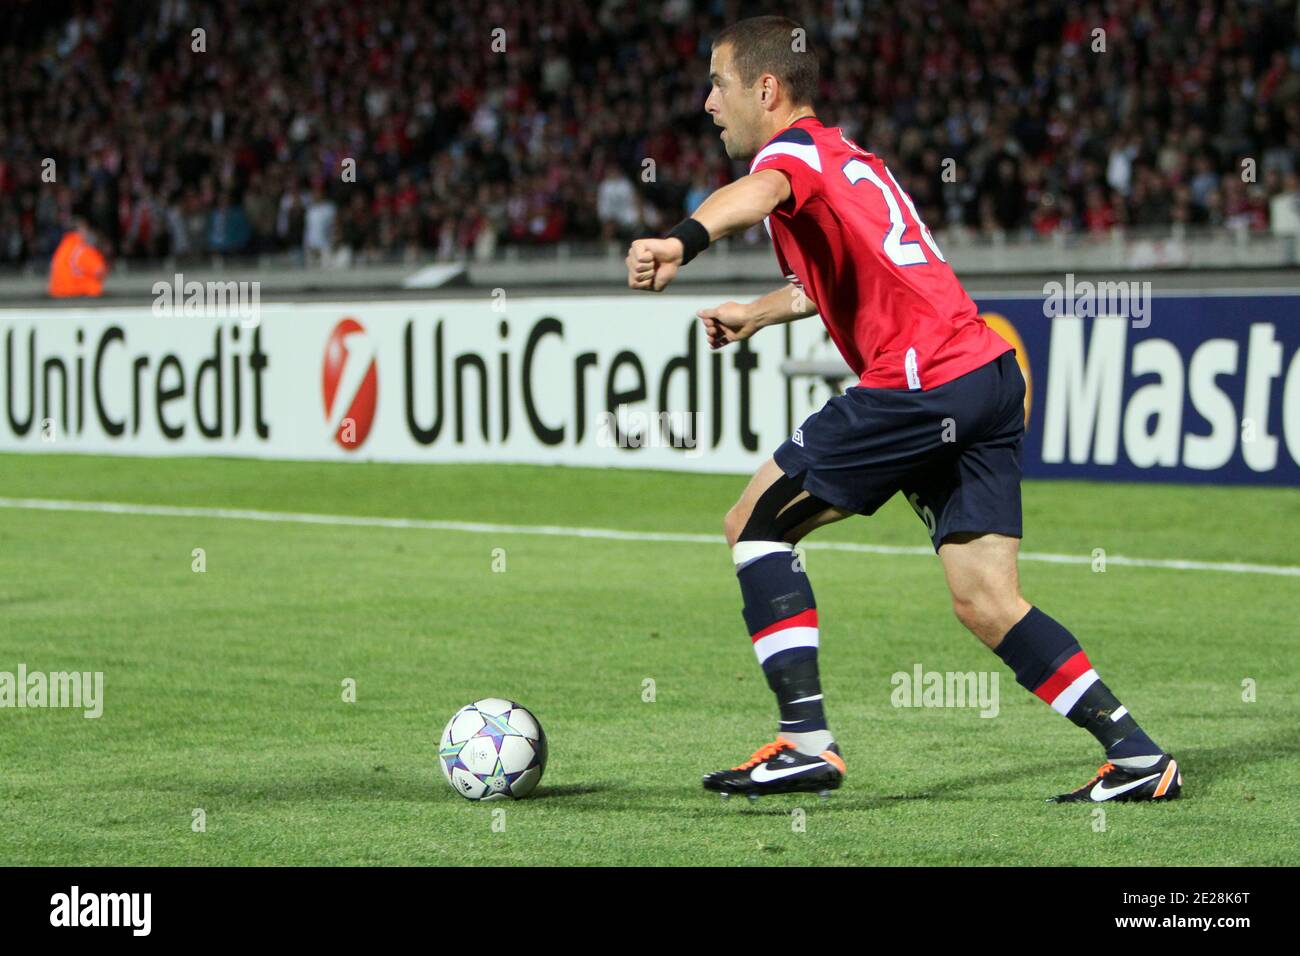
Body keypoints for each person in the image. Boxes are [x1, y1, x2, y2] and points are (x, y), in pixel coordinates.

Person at [625, 16, 1181, 804]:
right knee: (986, 599)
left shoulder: (789, 156)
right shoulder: (852, 160)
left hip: (921, 382)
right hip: (984, 374)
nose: (708, 101)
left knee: (752, 524)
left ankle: (805, 743)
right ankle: (1137, 756)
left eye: (717, 83)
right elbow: (844, 278)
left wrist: (682, 240)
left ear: (766, 88)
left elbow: (753, 193)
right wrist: (756, 310)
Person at [48, 220, 108, 298]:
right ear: (80, 231)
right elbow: (99, 270)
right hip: (77, 296)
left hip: (58, 294)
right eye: (85, 230)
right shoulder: (81, 249)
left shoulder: (62, 248)